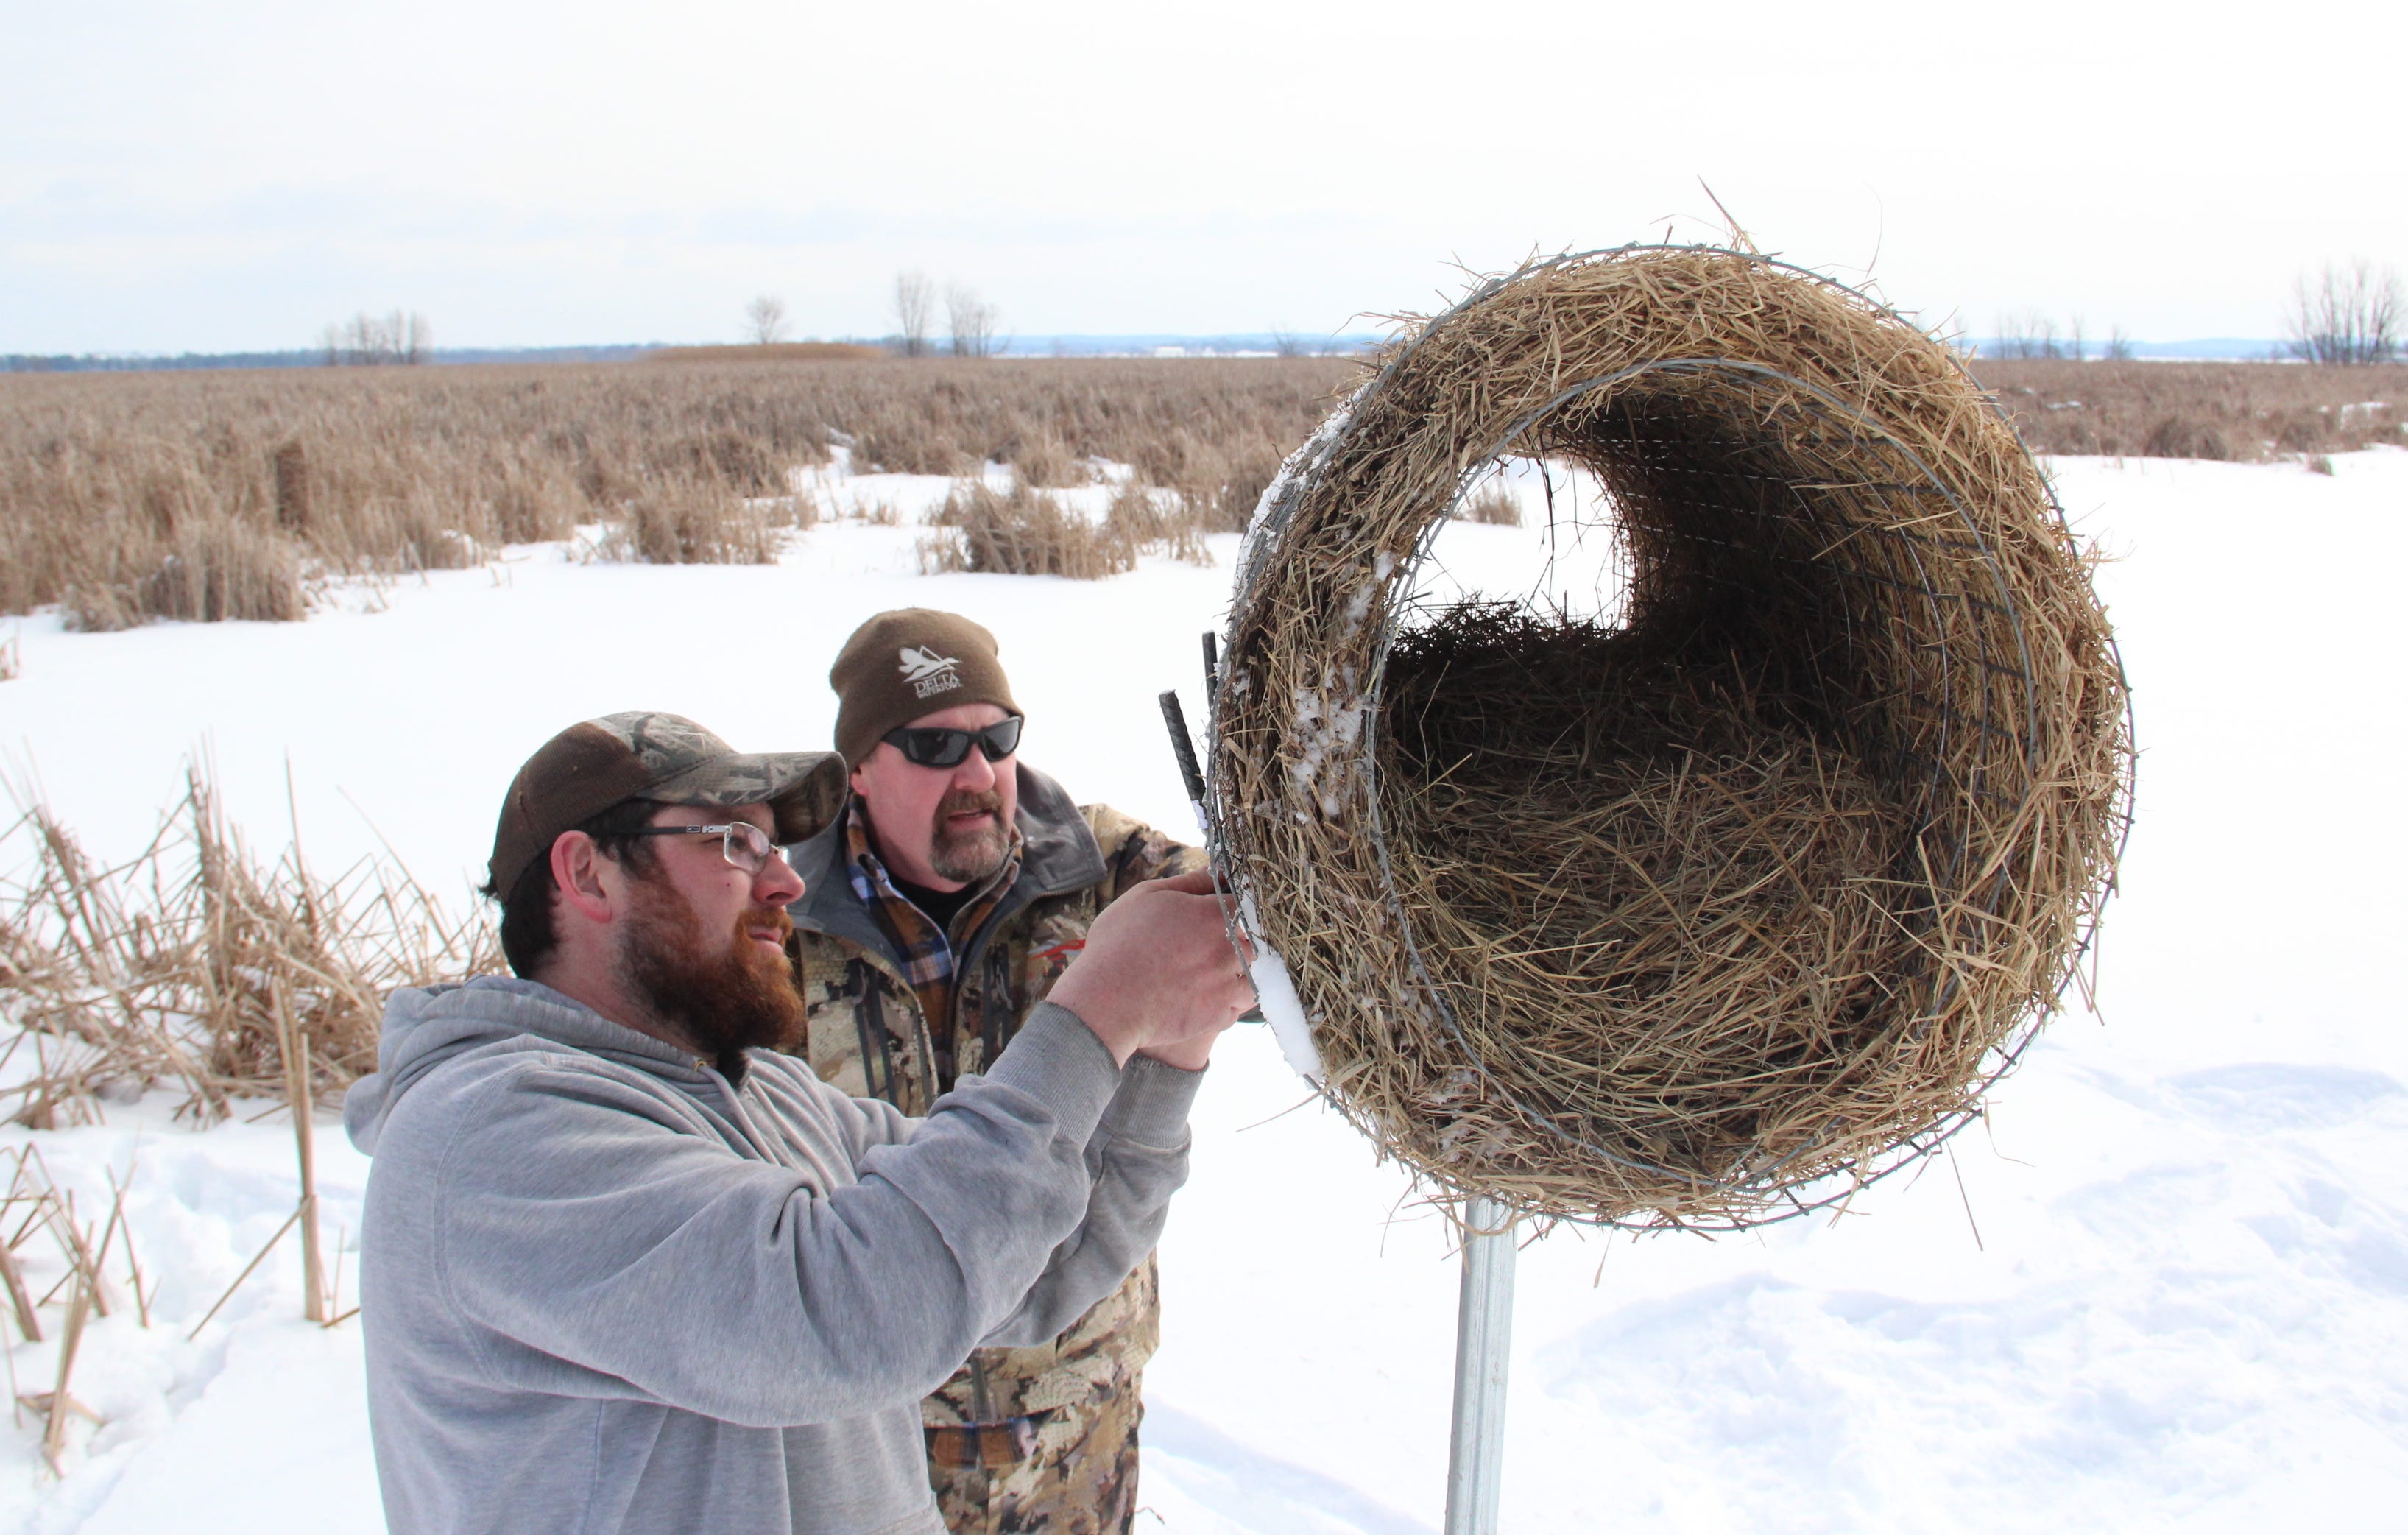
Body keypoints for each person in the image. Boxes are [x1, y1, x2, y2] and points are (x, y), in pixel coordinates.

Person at [344, 710, 1251, 1535]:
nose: (784, 880)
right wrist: (1099, 1008)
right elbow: (852, 1315)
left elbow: (1046, 1257)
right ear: (587, 873)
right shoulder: (486, 1139)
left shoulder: (769, 1098)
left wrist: (1169, 1039)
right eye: (735, 842)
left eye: (773, 846)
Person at [785, 610, 1209, 1535]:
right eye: (934, 745)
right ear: (858, 770)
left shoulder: (1108, 873)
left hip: (1076, 1428)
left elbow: (1279, 926)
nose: (977, 773)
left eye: (996, 738)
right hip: (871, 1446)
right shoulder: (774, 932)